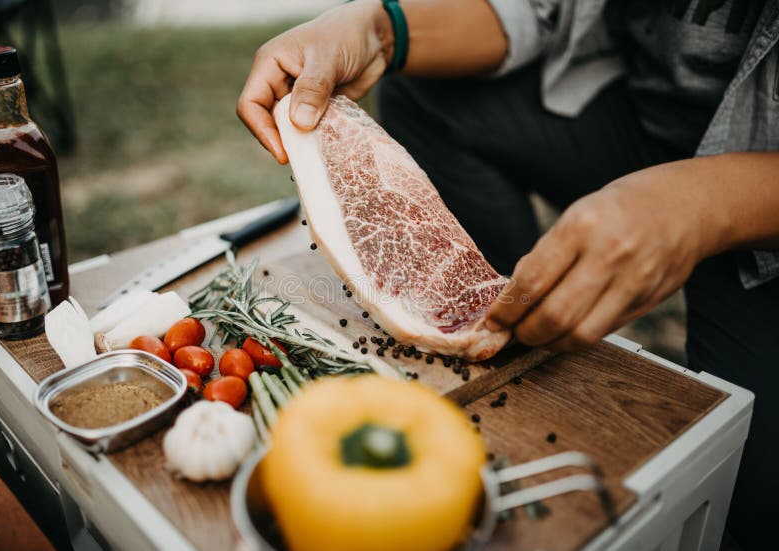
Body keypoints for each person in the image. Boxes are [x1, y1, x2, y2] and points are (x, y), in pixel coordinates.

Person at [237, 1, 779, 547]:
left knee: (752, 504)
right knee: (422, 86)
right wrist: (377, 29)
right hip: (641, 115)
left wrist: (701, 208)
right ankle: (497, 322)